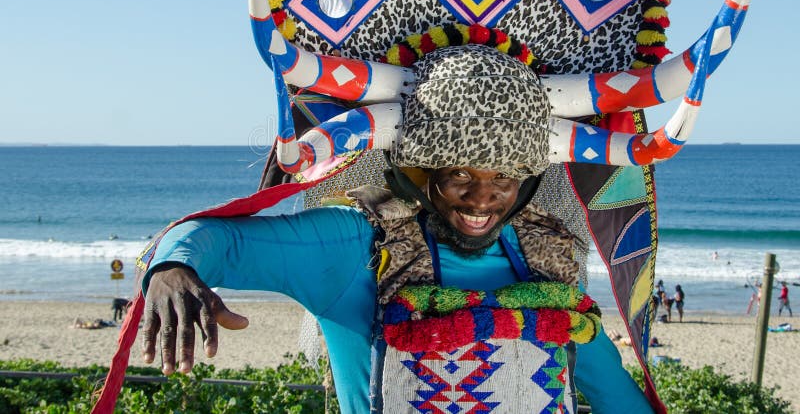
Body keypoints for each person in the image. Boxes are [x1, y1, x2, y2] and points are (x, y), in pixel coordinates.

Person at [140, 46, 654, 414]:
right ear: (419, 170)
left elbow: (611, 391)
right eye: (458, 175)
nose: (481, 200)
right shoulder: (354, 245)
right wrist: (171, 268)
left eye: (503, 178)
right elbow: (212, 240)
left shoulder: (549, 256)